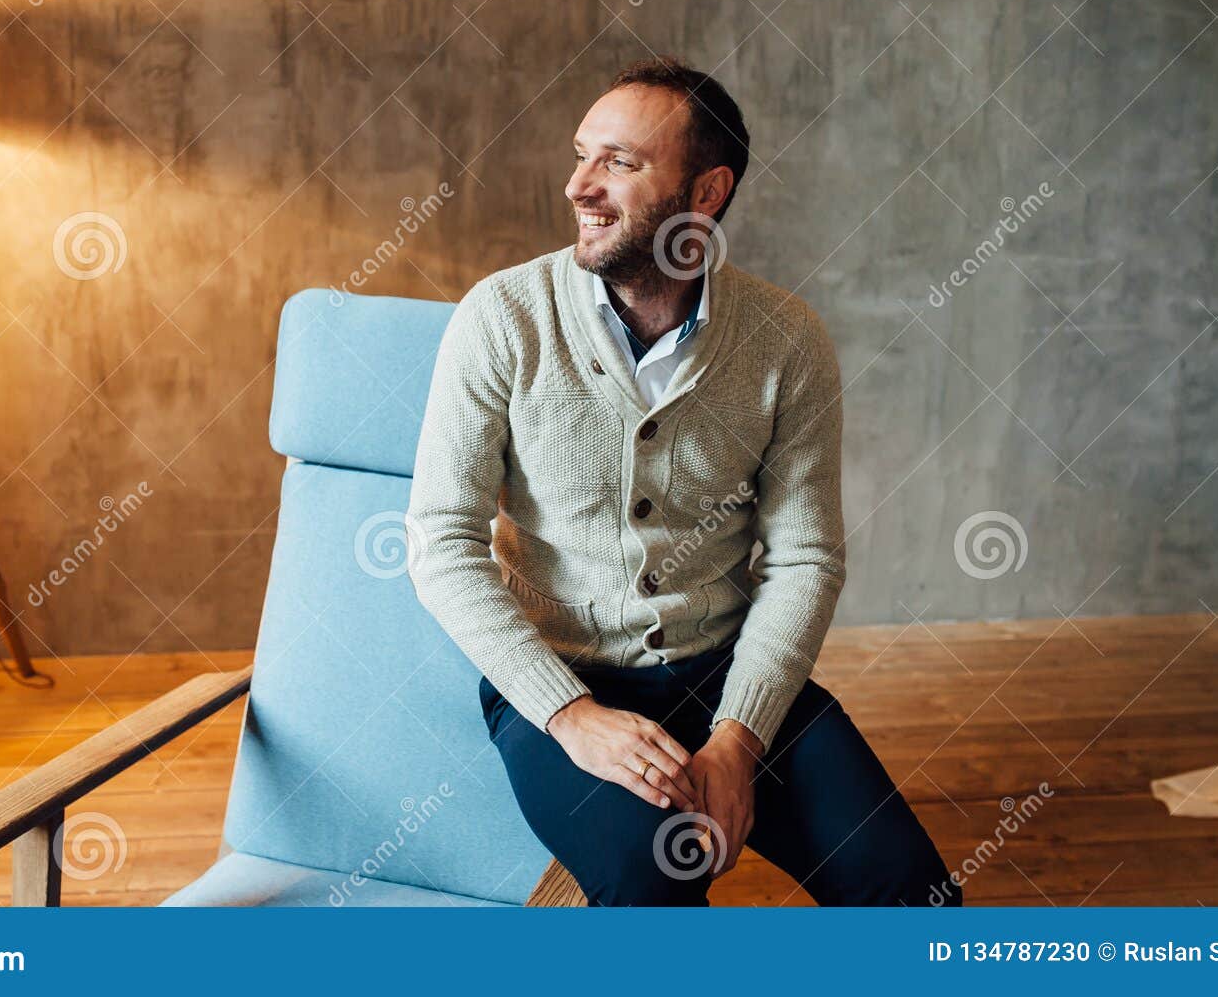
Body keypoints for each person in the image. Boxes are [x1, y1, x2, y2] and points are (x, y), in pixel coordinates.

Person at [406, 56, 956, 907]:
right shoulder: (503, 318)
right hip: (561, 682)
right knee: (658, 875)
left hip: (730, 672)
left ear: (706, 192)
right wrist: (571, 716)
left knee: (913, 891)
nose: (579, 186)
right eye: (582, 155)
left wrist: (739, 738)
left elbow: (806, 559)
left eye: (619, 163)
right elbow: (441, 542)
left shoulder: (787, 341)